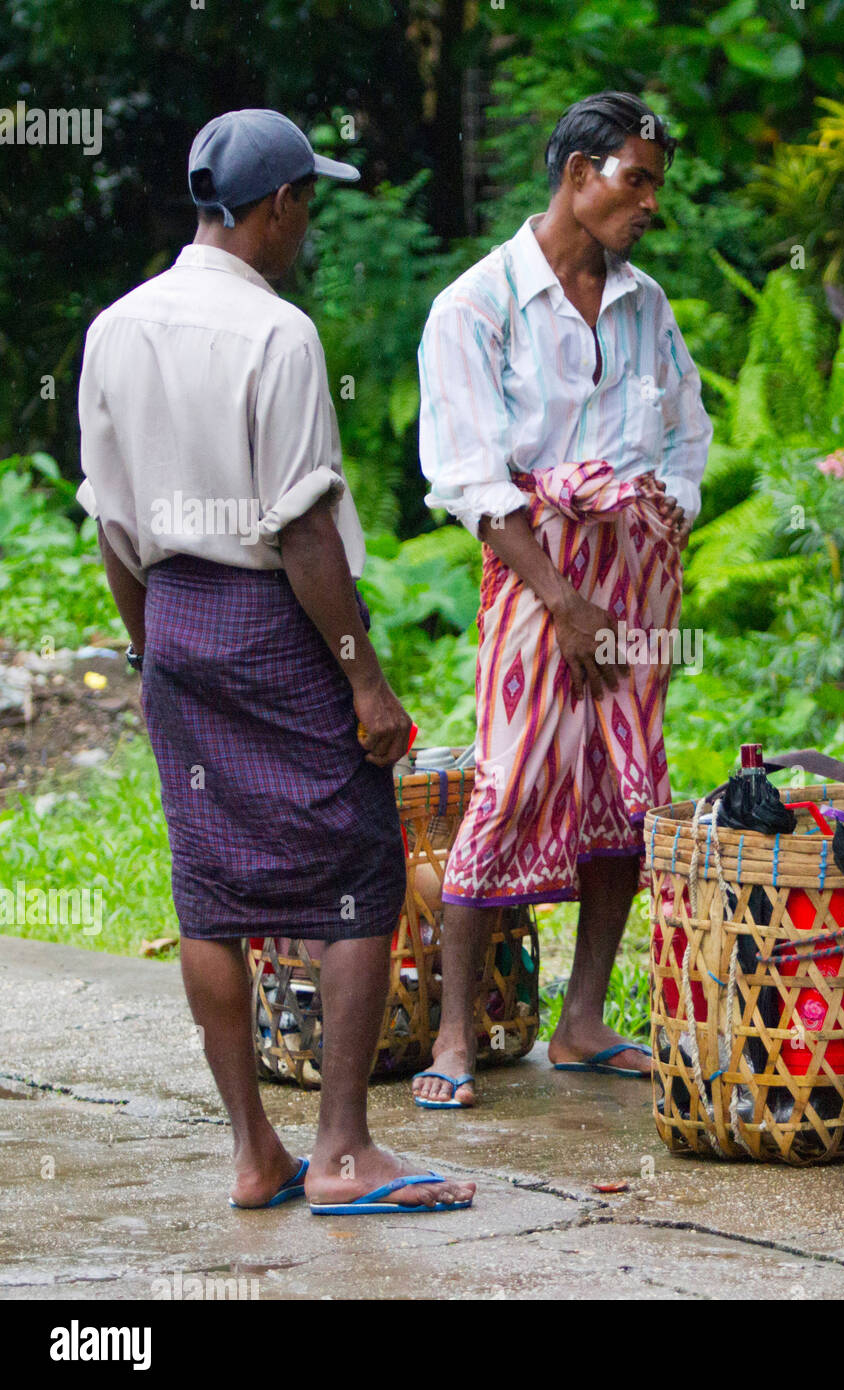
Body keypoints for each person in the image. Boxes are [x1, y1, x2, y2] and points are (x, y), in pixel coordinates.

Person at [77, 109, 475, 1215]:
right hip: (274, 619)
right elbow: (303, 532)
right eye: (306, 203)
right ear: (274, 207)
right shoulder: (278, 335)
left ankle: (255, 1153)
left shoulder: (117, 327)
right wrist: (363, 677)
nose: (306, 225)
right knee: (357, 864)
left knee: (208, 888)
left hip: (176, 618)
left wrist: (157, 646)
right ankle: (342, 1150)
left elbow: (110, 518)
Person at [414, 92, 711, 1108]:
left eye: (656, 185)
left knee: (625, 791)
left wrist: (663, 518)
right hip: (532, 573)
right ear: (578, 175)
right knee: (510, 783)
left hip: (635, 579)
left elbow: (687, 426)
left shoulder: (646, 304)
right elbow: (466, 476)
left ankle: (581, 1022)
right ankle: (452, 1036)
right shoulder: (477, 306)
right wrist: (562, 600)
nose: (649, 204)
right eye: (636, 180)